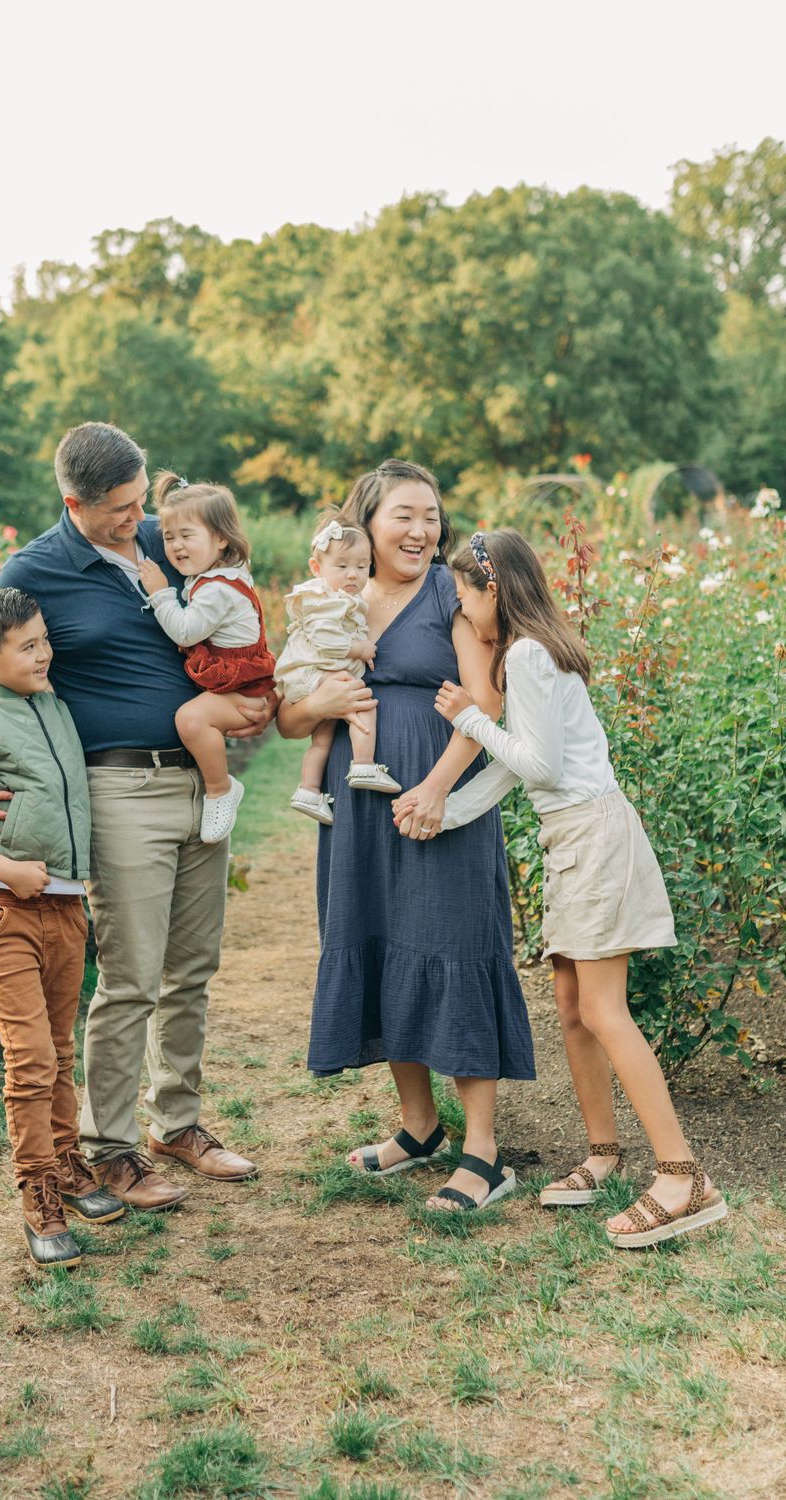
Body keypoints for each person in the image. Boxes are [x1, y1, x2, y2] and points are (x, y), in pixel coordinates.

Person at [0, 422, 271, 1212]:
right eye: (119, 508)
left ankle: (178, 1123)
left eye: (142, 501)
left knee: (193, 968)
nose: (136, 519)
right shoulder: (35, 571)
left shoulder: (164, 540)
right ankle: (110, 1149)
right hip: (120, 789)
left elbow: (227, 596)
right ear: (74, 502)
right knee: (132, 976)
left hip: (201, 781)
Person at [432, 528, 728, 1247]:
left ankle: (683, 1178)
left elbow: (537, 763)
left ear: (492, 589)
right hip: (574, 836)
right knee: (571, 1004)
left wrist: (470, 716)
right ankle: (602, 1154)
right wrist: (444, 809)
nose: (461, 611)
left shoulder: (530, 654)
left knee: (602, 1009)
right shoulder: (529, 653)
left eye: (464, 594)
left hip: (592, 837)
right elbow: (519, 769)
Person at [277, 460, 535, 1213]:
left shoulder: (448, 595)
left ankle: (484, 1152)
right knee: (382, 940)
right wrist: (317, 700)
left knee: (453, 942)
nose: (422, 530)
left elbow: (484, 701)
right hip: (356, 804)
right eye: (404, 515)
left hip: (437, 800)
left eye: (431, 515)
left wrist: (436, 788)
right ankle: (419, 1126)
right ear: (368, 519)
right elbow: (291, 714)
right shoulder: (335, 595)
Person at [0, 587, 126, 1269]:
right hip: (3, 908)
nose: (44, 652)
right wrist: (7, 869)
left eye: (44, 639)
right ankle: (36, 1189)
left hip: (66, 906)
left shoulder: (55, 703)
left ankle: (69, 1164)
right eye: (27, 645)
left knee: (62, 1053)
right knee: (31, 1057)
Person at [136, 473, 277, 845]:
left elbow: (185, 631)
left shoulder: (216, 589)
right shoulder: (219, 575)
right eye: (169, 537)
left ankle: (220, 788)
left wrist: (160, 595)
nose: (176, 546)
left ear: (220, 539)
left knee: (191, 719)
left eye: (187, 535)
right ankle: (218, 786)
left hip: (243, 688)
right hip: (241, 682)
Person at [275, 511, 399, 826]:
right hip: (313, 676)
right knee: (360, 698)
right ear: (317, 568)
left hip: (313, 676)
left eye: (361, 566)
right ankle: (363, 764)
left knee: (323, 738)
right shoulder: (324, 599)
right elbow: (327, 640)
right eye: (342, 566)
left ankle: (308, 791)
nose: (353, 575)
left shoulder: (337, 597)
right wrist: (360, 648)